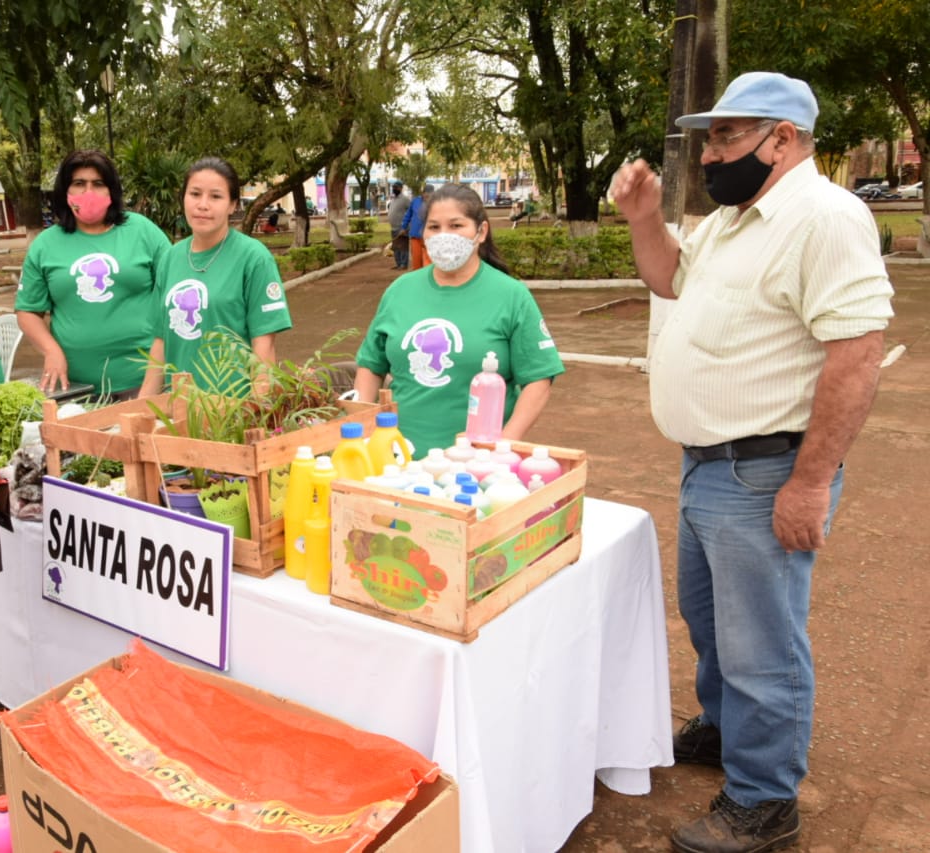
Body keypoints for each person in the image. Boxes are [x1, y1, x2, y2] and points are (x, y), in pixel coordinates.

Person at [609, 72, 894, 853]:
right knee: (710, 622)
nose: (712, 152)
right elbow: (668, 276)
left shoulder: (825, 217)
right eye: (710, 137)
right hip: (708, 466)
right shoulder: (734, 219)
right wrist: (643, 218)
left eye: (728, 136)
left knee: (761, 644)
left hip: (766, 470)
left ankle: (766, 801)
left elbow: (858, 354)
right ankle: (727, 730)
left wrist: (808, 483)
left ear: (785, 138)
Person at [352, 183, 564, 457]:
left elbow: (538, 378)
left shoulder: (511, 296)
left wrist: (504, 444)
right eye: (434, 227)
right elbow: (371, 365)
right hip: (397, 459)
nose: (444, 236)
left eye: (456, 226)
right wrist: (362, 432)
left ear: (481, 232)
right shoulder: (399, 291)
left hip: (476, 464)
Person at [15, 149, 171, 399]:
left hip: (145, 381)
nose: (89, 192)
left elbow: (173, 292)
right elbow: (28, 310)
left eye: (98, 184)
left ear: (112, 189)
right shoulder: (45, 245)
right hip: (76, 387)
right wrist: (50, 350)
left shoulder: (143, 232)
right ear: (65, 190)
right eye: (79, 184)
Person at [139, 156, 293, 396]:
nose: (203, 205)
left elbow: (264, 347)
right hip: (178, 411)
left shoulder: (254, 258)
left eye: (216, 196)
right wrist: (144, 407)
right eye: (195, 194)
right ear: (184, 199)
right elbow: (160, 342)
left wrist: (256, 413)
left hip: (232, 412)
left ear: (233, 205)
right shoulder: (170, 258)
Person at [400, 184, 433, 270]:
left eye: (430, 194)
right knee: (416, 261)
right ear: (422, 193)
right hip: (415, 236)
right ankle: (417, 278)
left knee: (428, 261)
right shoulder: (415, 201)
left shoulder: (436, 203)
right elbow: (408, 215)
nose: (427, 196)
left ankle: (427, 278)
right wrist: (403, 227)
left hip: (429, 237)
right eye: (426, 193)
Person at [387, 182, 411, 269]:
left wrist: (407, 227)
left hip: (402, 228)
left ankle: (404, 264)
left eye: (396, 187)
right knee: (396, 247)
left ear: (401, 188)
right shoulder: (393, 199)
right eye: (393, 187)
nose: (394, 189)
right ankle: (398, 263)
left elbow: (411, 212)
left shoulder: (405, 199)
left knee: (403, 247)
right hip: (393, 227)